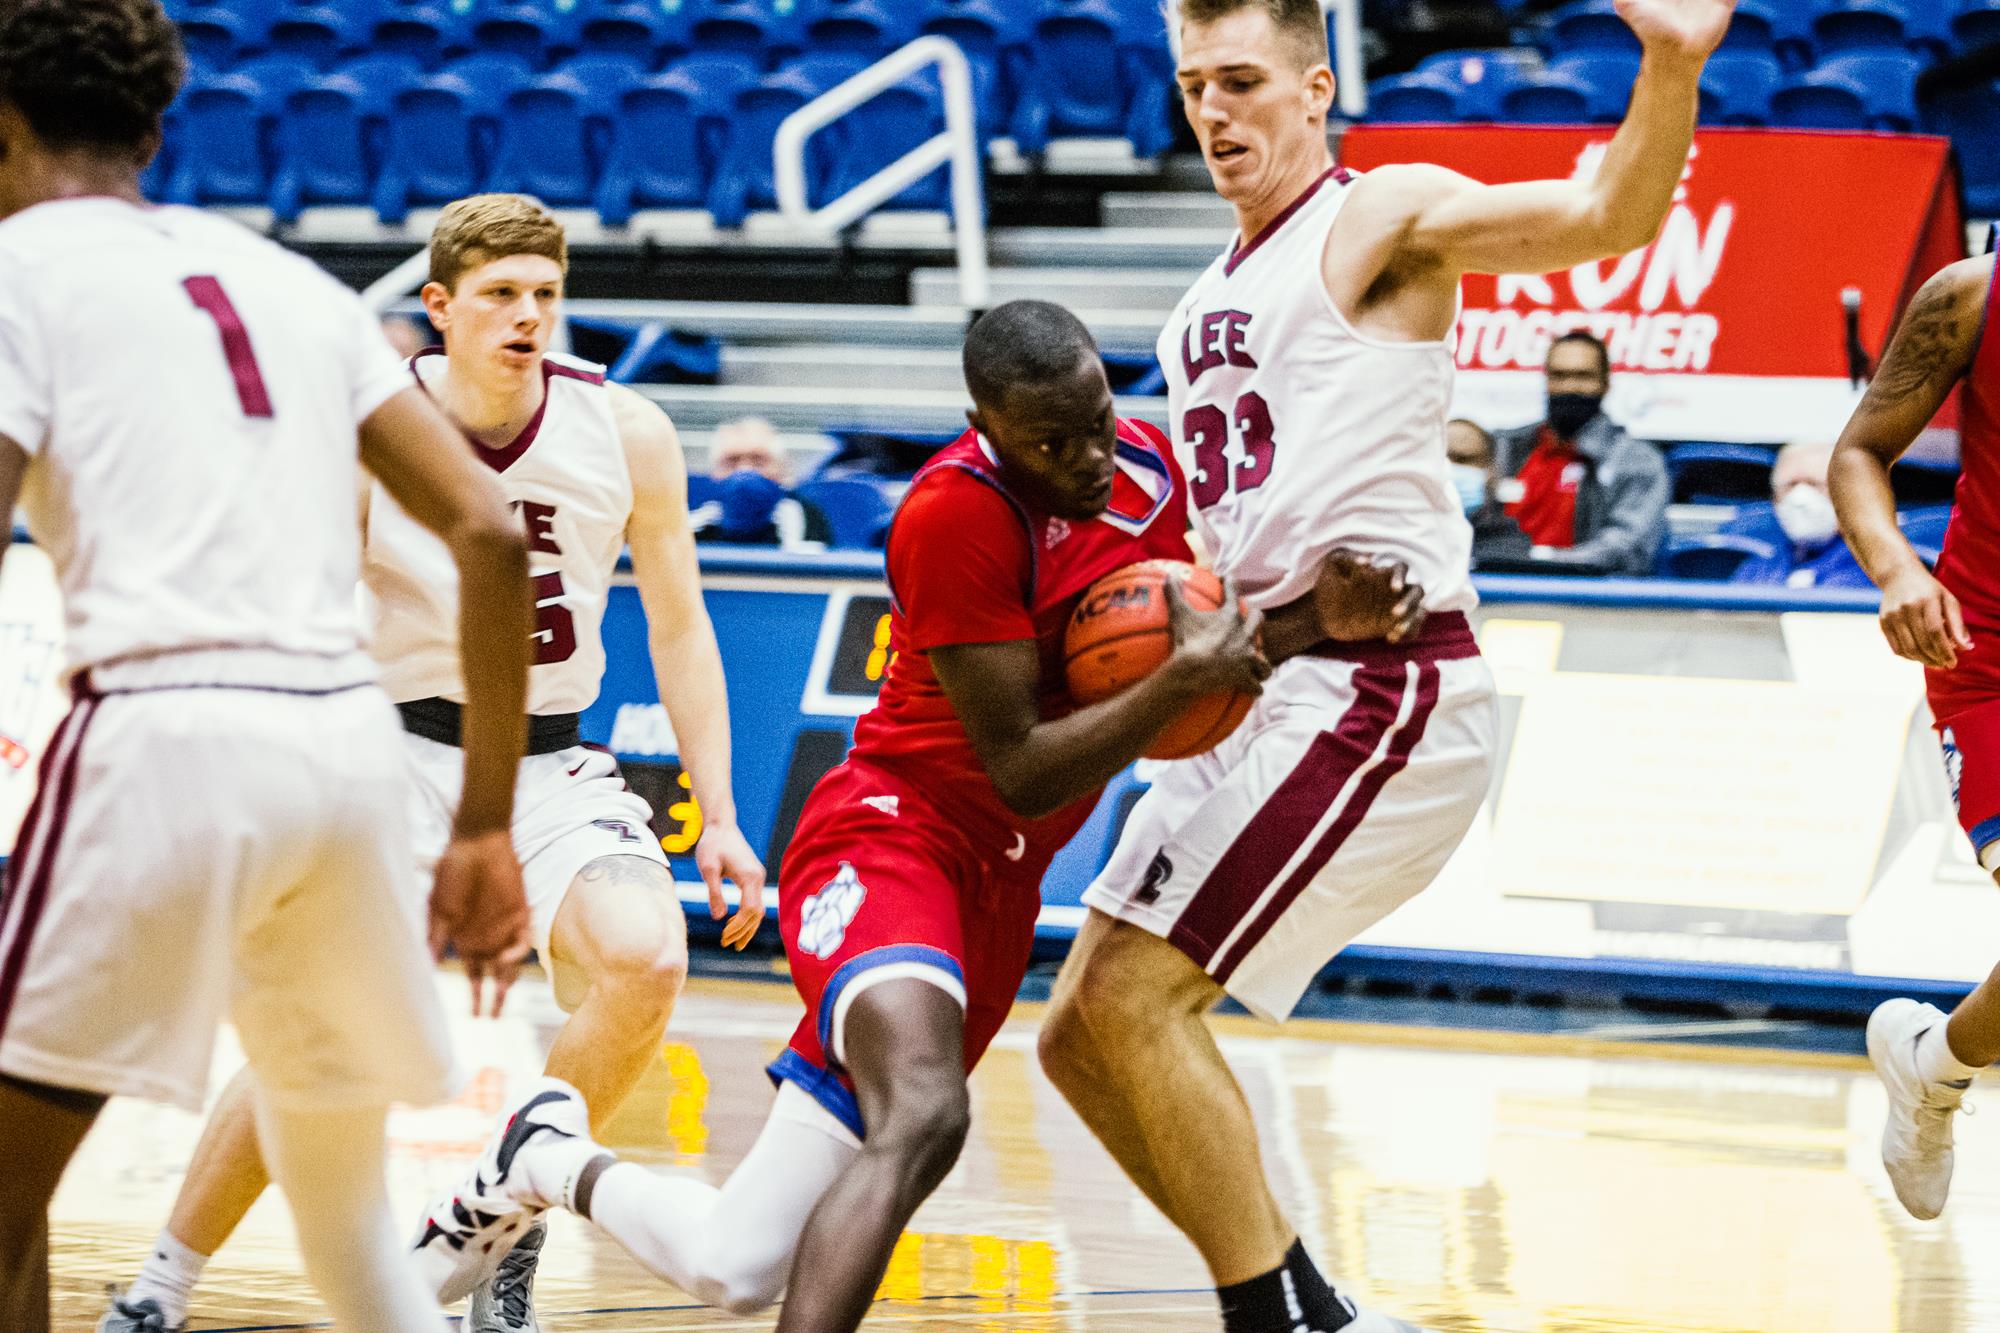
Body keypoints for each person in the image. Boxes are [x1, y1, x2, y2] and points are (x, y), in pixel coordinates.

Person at [408, 300, 1421, 1332]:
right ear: (985, 425)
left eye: (1098, 424)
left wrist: (1312, 621)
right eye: (1050, 444)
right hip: (891, 840)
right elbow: (1023, 767)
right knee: (927, 1110)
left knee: (735, 1264)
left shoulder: (1149, 473)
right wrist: (1178, 683)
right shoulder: (952, 514)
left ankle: (544, 1155)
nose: (1087, 461)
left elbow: (1192, 652)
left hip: (997, 890)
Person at [1034, 2, 1732, 1330]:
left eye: (1243, 80)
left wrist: (1668, 63)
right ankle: (1315, 1312)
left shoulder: (1377, 218)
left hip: (1381, 683)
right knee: (1078, 1036)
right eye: (1193, 85)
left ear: (1316, 88)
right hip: (1264, 681)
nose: (1214, 111)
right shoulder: (1198, 305)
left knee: (1131, 1002)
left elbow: (1607, 214)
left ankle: (1280, 1323)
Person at [100, 194, 766, 1333]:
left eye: (546, 294)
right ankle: (159, 1287)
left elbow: (681, 627)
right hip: (393, 754)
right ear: (440, 306)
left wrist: (723, 813)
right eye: (501, 295)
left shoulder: (628, 431)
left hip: (552, 765)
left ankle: (503, 1207)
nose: (528, 316)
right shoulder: (375, 424)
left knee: (648, 958)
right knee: (315, 1034)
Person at [0, 4, 537, 1332]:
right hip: (346, 754)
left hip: (161, 737)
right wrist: (483, 824)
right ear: (153, 131)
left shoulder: (18, 272)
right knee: (349, 1225)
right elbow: (487, 532)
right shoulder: (288, 280)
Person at [1829, 249, 2000, 1222]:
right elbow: (1857, 451)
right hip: (1986, 655)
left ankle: (1928, 1065)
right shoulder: (1969, 295)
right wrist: (1897, 568)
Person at [1490, 330, 1668, 575]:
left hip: (1585, 590)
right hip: (1498, 581)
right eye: (1559, 376)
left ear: (1605, 383)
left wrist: (1545, 562)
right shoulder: (1506, 447)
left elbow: (1627, 546)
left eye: (1583, 376)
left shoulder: (1636, 460)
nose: (1569, 387)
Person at [1729, 442, 1870, 588]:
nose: (1800, 498)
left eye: (1814, 484)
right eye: (1790, 485)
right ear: (1774, 498)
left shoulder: (1871, 567)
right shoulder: (1758, 568)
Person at [692, 416, 834, 548]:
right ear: (715, 473)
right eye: (732, 462)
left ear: (781, 470)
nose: (745, 471)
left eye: (759, 462)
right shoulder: (693, 523)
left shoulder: (806, 517)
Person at [1446, 417, 1533, 568]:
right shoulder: (1407, 536)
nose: (1449, 467)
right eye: (1442, 459)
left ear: (1491, 470)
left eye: (1462, 460)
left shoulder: (1510, 550)